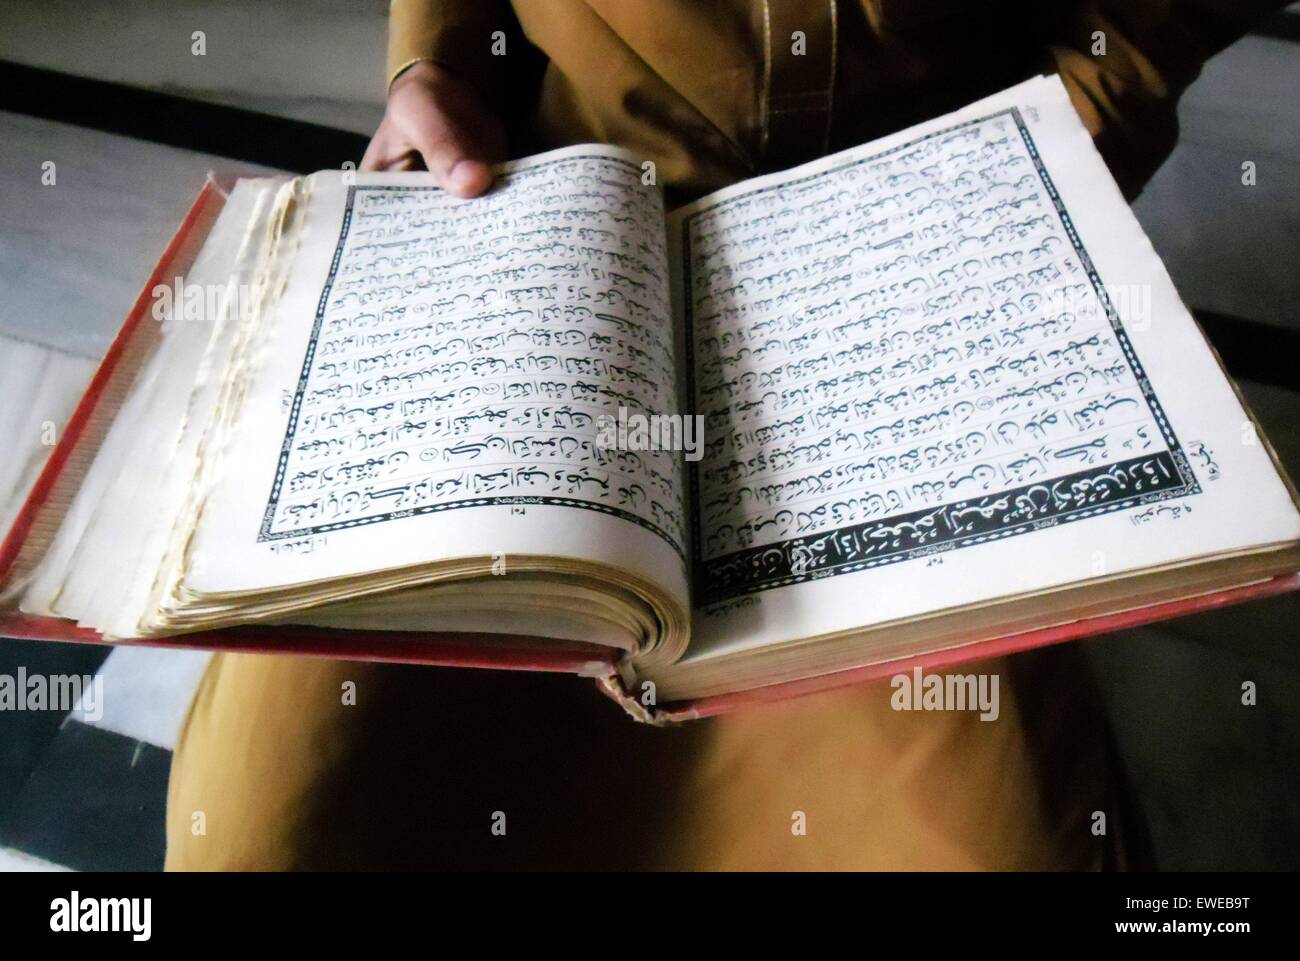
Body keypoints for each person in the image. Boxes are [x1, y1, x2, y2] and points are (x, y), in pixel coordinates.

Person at [165, 0, 1281, 870]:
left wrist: (1075, 118)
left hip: (930, 235)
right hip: (562, 217)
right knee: (266, 834)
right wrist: (441, 65)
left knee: (1002, 844)